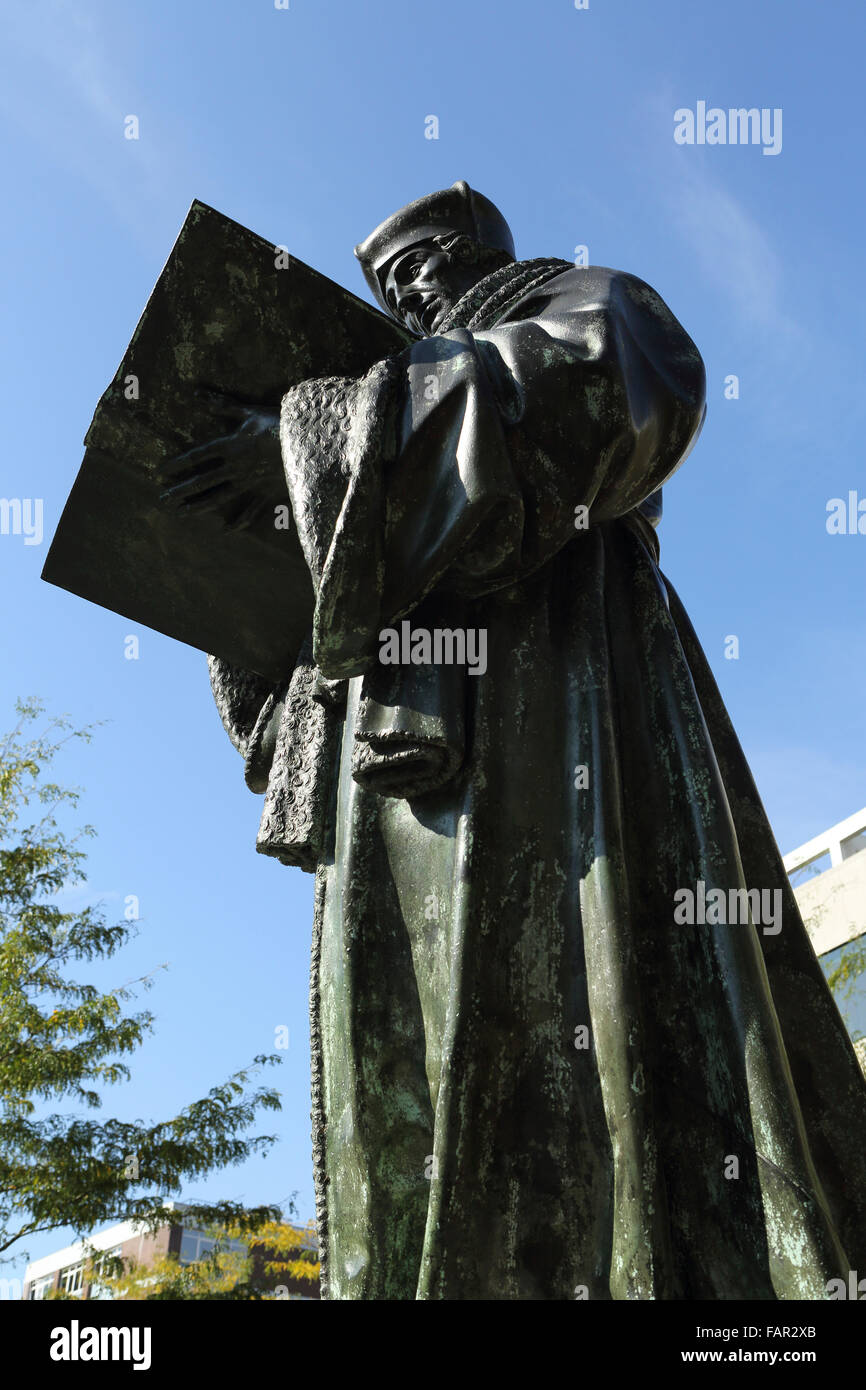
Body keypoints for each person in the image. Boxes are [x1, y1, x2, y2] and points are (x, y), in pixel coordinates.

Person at [164, 181, 866, 1300]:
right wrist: (272, 517)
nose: (412, 285)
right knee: (409, 1053)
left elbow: (609, 388)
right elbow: (292, 652)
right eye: (392, 284)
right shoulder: (401, 384)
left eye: (429, 258)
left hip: (560, 692)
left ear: (488, 248)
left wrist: (333, 432)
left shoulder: (585, 302)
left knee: (582, 1008)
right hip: (392, 761)